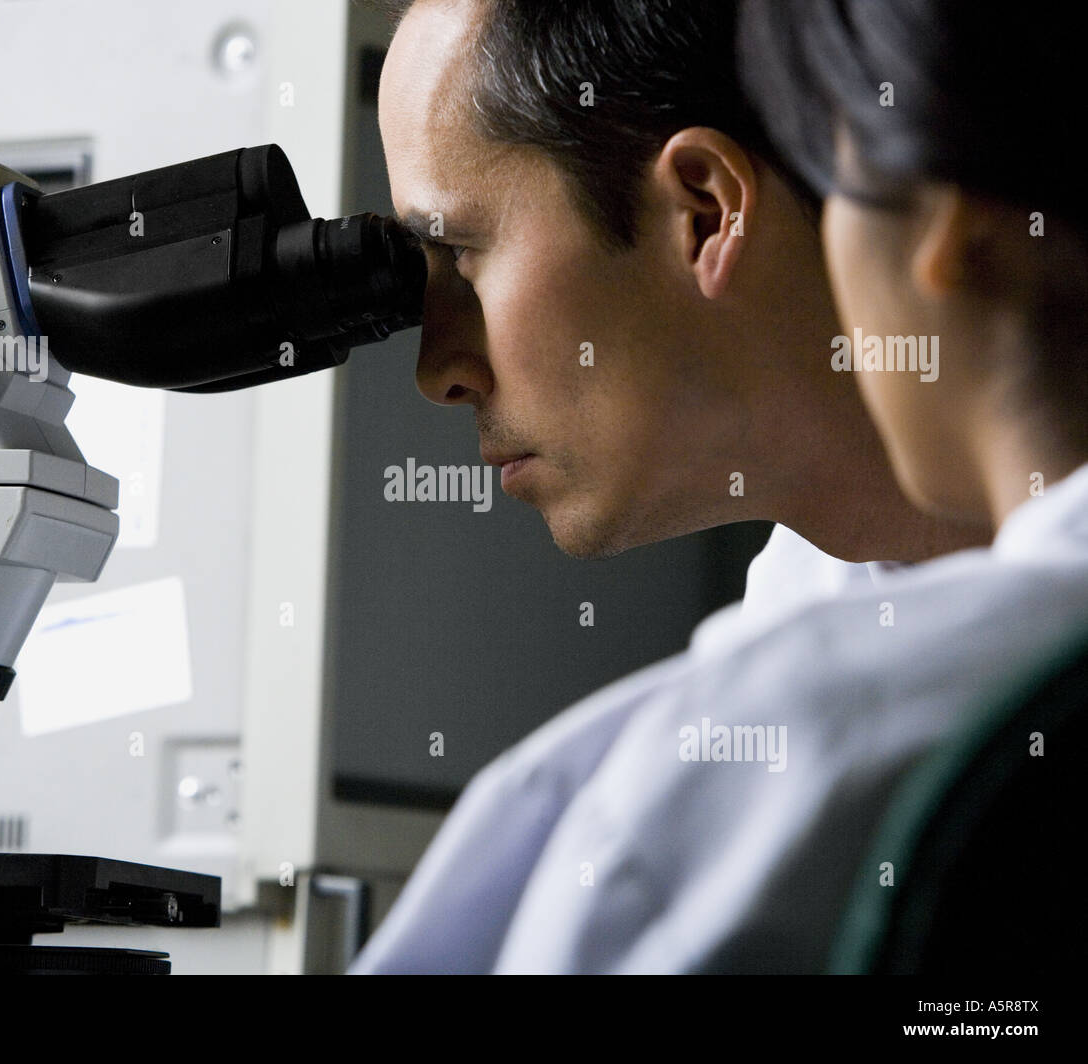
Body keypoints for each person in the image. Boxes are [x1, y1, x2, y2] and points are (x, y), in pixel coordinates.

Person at [350, 0, 1088, 972]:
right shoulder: (775, 674)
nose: (437, 369)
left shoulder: (715, 778)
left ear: (703, 210)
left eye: (461, 253)